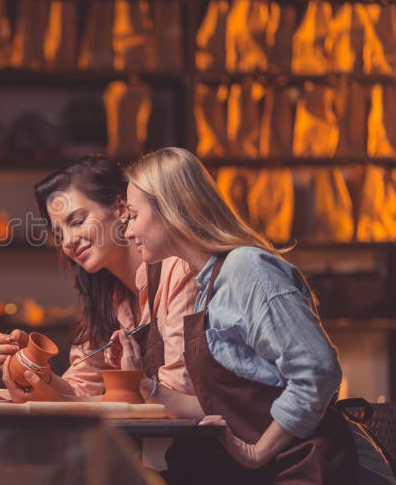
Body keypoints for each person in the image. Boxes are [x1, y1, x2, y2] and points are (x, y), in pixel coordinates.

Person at [122, 146, 394, 484]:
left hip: (319, 467)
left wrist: (257, 452)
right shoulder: (205, 285)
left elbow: (318, 373)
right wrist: (143, 386)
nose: (128, 231)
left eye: (133, 215)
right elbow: (223, 410)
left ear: (169, 208)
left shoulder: (247, 268)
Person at [0, 155, 197, 405]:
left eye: (77, 222)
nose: (68, 241)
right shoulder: (108, 296)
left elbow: (179, 392)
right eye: (59, 234)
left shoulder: (178, 270)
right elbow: (79, 388)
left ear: (121, 209)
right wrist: (33, 366)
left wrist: (130, 385)